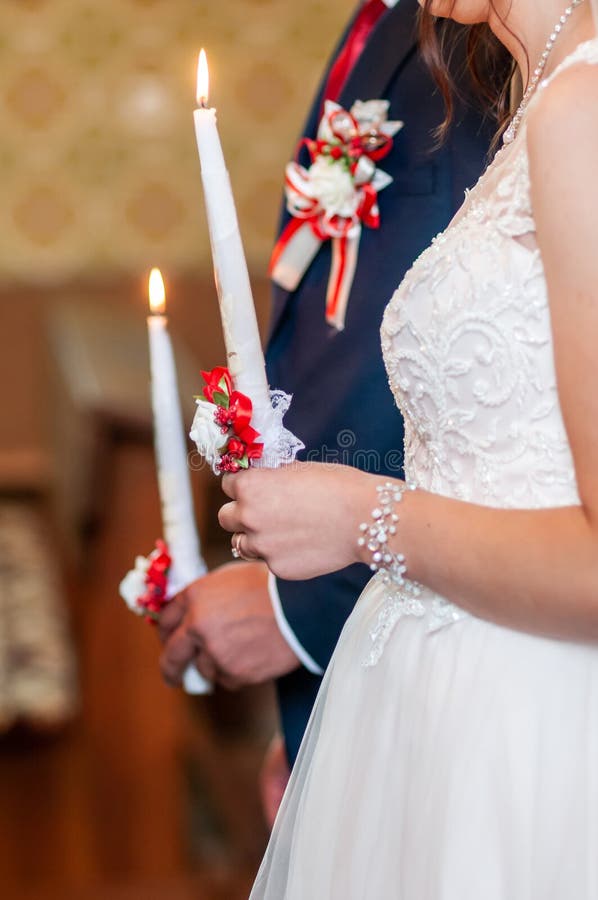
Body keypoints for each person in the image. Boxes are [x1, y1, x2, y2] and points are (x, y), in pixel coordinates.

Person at [215, 0, 598, 894]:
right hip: (424, 703)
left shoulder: (582, 111)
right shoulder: (533, 93)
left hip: (529, 725)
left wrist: (363, 515)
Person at [160, 0, 493, 813]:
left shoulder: (494, 39)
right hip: (360, 639)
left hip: (442, 642)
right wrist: (313, 701)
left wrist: (300, 611)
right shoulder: (384, 21)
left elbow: (491, 392)